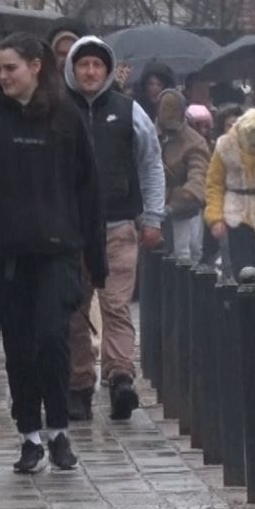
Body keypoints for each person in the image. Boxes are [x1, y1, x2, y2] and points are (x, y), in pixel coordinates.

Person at [0, 33, 107, 473]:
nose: (3, 76)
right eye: (0, 68)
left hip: (58, 251)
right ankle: (29, 434)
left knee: (52, 338)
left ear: (35, 67)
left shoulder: (66, 118)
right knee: (20, 349)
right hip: (9, 256)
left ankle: (59, 430)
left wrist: (95, 257)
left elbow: (89, 189)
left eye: (10, 68)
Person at [61, 35, 166, 422]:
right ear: (72, 69)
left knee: (117, 306)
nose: (90, 72)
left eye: (97, 65)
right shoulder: (57, 110)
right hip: (69, 230)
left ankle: (121, 377)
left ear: (107, 70)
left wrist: (152, 218)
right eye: (83, 64)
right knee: (73, 309)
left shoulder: (128, 111)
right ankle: (79, 385)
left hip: (118, 223)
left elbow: (150, 164)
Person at [207, 109, 255, 291]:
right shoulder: (226, 146)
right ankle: (246, 309)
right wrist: (215, 218)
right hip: (237, 209)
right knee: (243, 268)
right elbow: (215, 184)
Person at [158, 89, 211, 264]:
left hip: (184, 207)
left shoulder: (194, 141)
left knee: (189, 252)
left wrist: (183, 197)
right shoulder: (147, 134)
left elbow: (199, 173)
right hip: (151, 205)